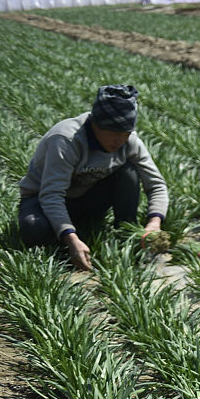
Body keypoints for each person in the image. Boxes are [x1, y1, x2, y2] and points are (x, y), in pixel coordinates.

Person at [18, 84, 168, 271]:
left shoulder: (129, 141)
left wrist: (154, 223)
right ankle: (61, 247)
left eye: (125, 134)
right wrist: (71, 237)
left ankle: (126, 234)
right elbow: (51, 195)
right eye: (113, 134)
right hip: (42, 201)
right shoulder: (67, 139)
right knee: (34, 228)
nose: (119, 141)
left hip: (86, 198)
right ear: (95, 124)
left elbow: (157, 184)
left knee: (128, 171)